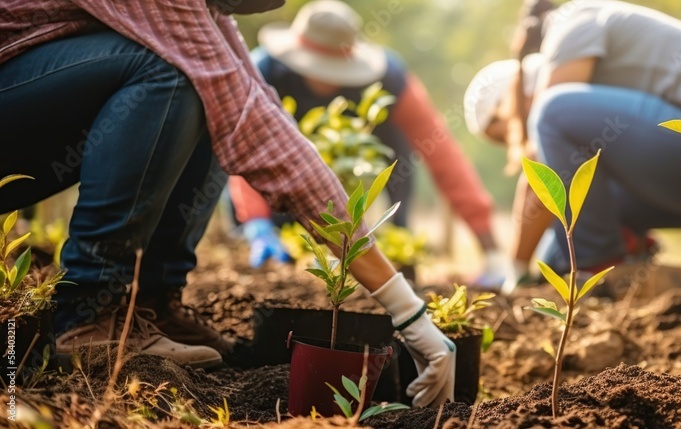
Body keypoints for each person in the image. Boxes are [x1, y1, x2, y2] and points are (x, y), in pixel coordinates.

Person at [0, 0, 453, 406]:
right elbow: (259, 134)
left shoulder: (210, 12)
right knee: (172, 74)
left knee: (207, 91)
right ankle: (86, 313)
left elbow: (252, 109)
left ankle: (150, 303)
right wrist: (407, 311)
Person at [463, 0, 681, 293]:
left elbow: (540, 178)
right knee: (557, 255)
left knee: (552, 112)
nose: (516, 141)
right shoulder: (589, 87)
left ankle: (600, 259)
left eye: (506, 133)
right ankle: (627, 248)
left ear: (518, 94)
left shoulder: (572, 25)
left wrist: (514, 271)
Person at [229, 1, 507, 287]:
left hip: (379, 161)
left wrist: (491, 249)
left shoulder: (390, 79)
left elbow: (444, 156)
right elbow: (246, 148)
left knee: (401, 159)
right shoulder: (265, 70)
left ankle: (397, 253)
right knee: (279, 249)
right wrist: (256, 222)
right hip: (281, 172)